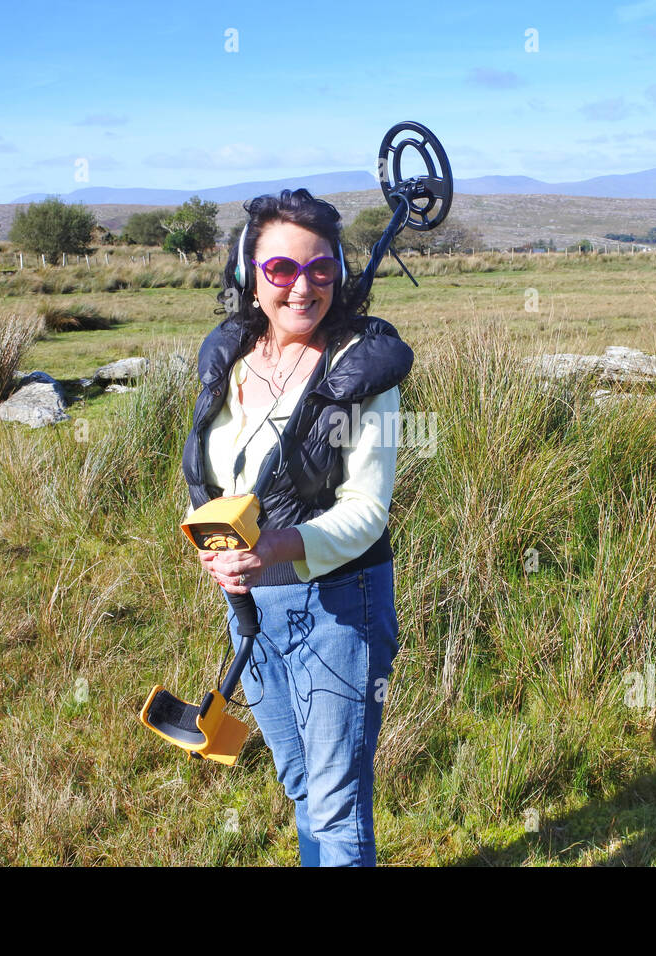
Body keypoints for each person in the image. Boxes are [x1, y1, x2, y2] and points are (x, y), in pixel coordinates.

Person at [180, 188, 412, 866]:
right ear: (247, 275)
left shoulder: (363, 368)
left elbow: (368, 512)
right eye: (281, 269)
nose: (301, 286)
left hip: (339, 602)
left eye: (320, 269)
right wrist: (212, 540)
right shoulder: (229, 358)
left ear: (339, 272)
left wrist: (276, 546)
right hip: (250, 605)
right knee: (301, 783)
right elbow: (217, 472)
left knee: (337, 798)